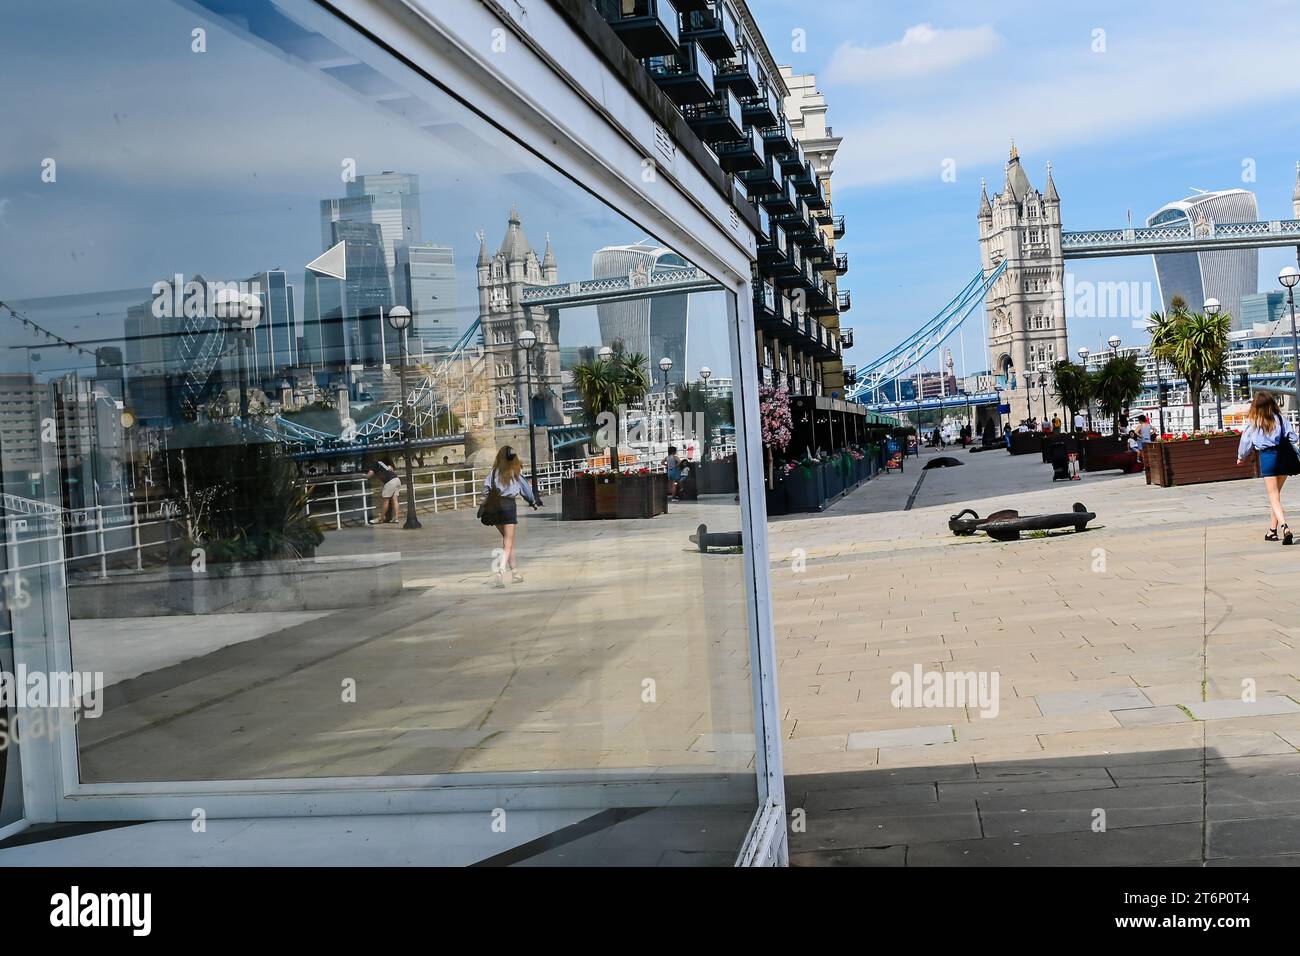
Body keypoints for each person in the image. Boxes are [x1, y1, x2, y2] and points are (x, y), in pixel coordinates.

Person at [1236, 391, 1300, 545]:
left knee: (1273, 496)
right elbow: (1293, 437)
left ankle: (1285, 527)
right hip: (1284, 457)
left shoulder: (1254, 422)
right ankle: (1272, 531)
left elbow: (1246, 443)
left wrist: (1240, 457)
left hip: (1267, 458)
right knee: (1276, 496)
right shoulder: (1280, 419)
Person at [482, 445, 541, 586]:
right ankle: (501, 571)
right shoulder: (515, 474)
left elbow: (485, 490)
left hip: (494, 508)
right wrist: (533, 502)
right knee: (508, 541)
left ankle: (515, 573)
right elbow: (526, 491)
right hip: (508, 506)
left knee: (508, 542)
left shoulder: (493, 473)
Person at [366, 458, 401, 525]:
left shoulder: (374, 464)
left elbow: (370, 474)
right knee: (395, 500)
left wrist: (364, 476)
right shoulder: (381, 463)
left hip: (390, 482)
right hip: (396, 479)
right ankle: (396, 518)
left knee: (385, 501)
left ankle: (380, 519)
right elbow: (391, 468)